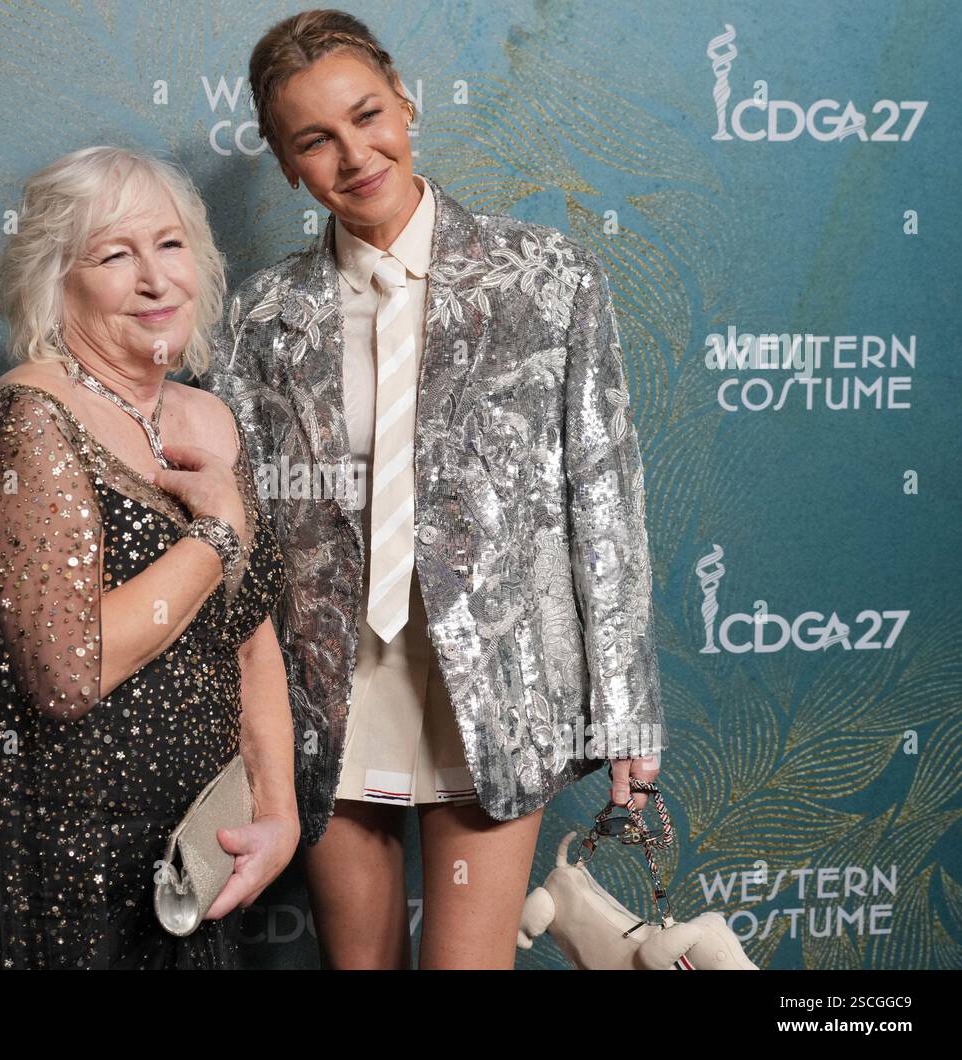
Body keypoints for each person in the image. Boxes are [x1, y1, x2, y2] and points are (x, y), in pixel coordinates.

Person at [202, 9, 667, 969]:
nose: (354, 154)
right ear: (288, 167)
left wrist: (625, 710)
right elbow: (234, 533)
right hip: (332, 693)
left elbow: (605, 500)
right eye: (314, 142)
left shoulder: (546, 279)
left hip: (494, 689)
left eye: (367, 115)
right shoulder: (258, 315)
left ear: (405, 101)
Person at [0, 146, 299, 969]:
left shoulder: (210, 419)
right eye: (115, 255)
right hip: (50, 864)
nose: (155, 280)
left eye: (170, 245)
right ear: (55, 281)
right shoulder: (32, 418)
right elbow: (70, 670)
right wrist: (214, 535)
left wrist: (279, 815)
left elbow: (250, 639)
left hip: (187, 859)